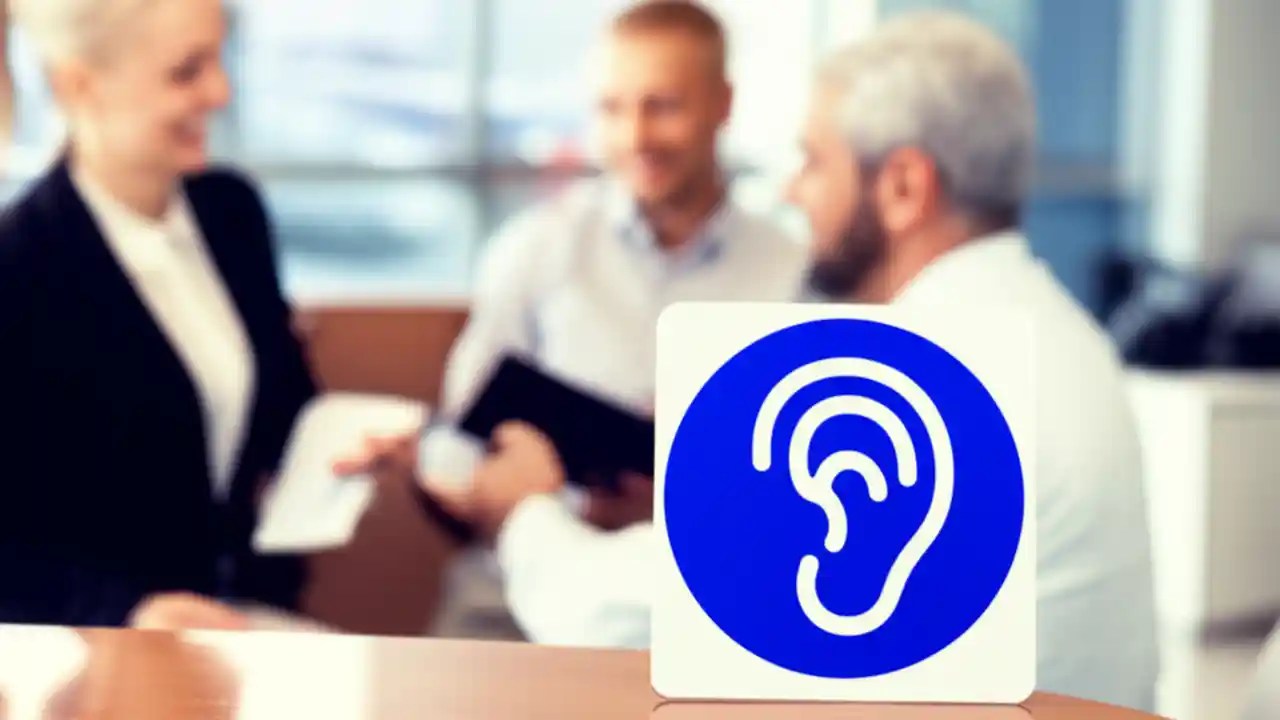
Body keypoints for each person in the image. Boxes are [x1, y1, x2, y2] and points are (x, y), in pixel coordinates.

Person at [440, 10, 1162, 712]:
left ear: (904, 187)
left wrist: (524, 510)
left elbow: (614, 617)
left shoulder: (936, 369)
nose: (792, 191)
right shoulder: (1056, 332)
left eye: (815, 162)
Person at [337, 0, 809, 636]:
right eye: (612, 109)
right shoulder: (538, 247)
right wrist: (524, 493)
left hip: (691, 604)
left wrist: (680, 502)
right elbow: (457, 442)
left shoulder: (795, 274)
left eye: (663, 106)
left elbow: (799, 499)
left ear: (723, 104)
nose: (635, 137)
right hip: (514, 599)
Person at [0, 0, 316, 629]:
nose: (220, 92)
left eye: (219, 60)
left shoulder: (232, 213)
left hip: (246, 625)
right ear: (78, 84)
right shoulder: (20, 267)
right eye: (186, 71)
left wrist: (334, 446)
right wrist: (132, 611)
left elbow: (283, 402)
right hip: (104, 651)